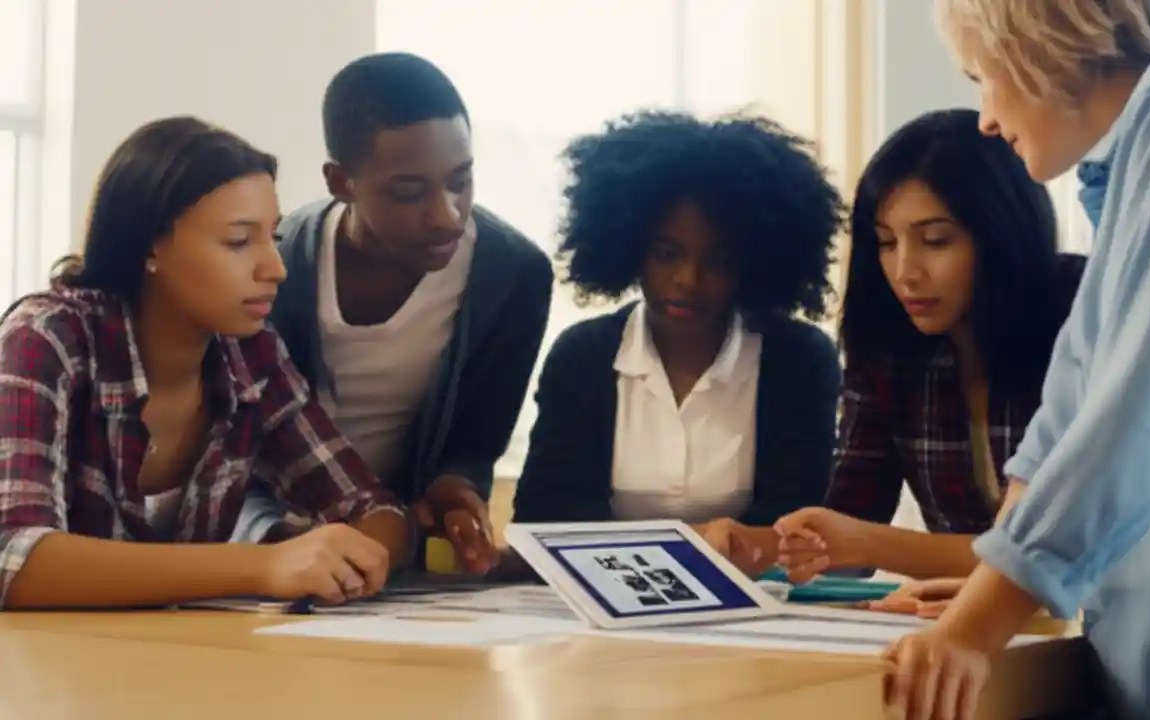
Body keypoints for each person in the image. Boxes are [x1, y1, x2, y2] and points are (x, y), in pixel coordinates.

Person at [784, 1, 1150, 717]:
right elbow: (1061, 429)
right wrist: (992, 589)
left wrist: (979, 624)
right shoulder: (1123, 196)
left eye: (983, 76)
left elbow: (1138, 412)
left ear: (1041, 44)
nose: (986, 118)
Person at [0, 116, 412, 610]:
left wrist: (351, 560)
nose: (275, 268)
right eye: (239, 242)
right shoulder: (46, 338)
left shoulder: (251, 355)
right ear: (150, 245)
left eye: (274, 237)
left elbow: (373, 507)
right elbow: (13, 556)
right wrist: (263, 565)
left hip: (169, 651)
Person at [233, 53, 553, 573]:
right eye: (409, 192)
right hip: (265, 542)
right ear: (341, 182)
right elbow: (234, 445)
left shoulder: (514, 275)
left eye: (460, 181)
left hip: (397, 549)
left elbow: (476, 441)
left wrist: (454, 491)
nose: (446, 215)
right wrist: (272, 536)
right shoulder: (276, 264)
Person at [511, 111, 843, 575]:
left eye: (718, 260)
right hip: (599, 599)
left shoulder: (798, 360)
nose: (688, 279)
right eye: (667, 254)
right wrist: (692, 543)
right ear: (631, 249)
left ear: (753, 262)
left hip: (757, 601)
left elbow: (799, 531)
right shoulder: (582, 357)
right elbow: (544, 523)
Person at [780, 109, 1084, 583]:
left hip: (1099, 618)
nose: (905, 272)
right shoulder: (889, 345)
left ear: (1001, 232)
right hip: (965, 619)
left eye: (936, 241)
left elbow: (1060, 551)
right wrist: (797, 544)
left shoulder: (1080, 312)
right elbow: (844, 534)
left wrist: (864, 542)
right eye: (886, 243)